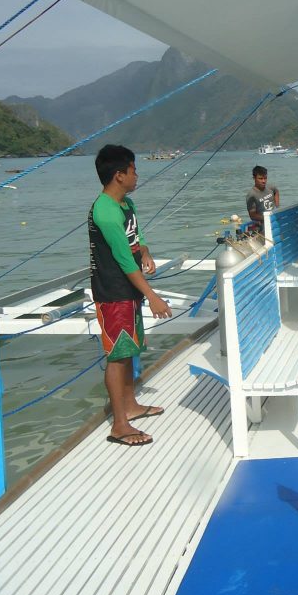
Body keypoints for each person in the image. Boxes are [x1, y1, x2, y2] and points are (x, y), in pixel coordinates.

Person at [89, 145, 172, 447]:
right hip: (113, 292)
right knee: (118, 354)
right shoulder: (105, 211)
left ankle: (131, 405)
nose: (138, 175)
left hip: (128, 291)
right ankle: (119, 425)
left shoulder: (126, 205)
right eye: (134, 170)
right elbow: (124, 260)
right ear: (119, 175)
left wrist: (147, 252)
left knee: (129, 349)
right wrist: (152, 296)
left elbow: (137, 238)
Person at [245, 164, 279, 231]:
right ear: (254, 178)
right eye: (260, 178)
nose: (263, 181)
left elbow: (276, 191)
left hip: (275, 219)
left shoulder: (270, 187)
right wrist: (267, 218)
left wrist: (277, 206)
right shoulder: (251, 195)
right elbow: (253, 215)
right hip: (264, 223)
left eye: (265, 178)